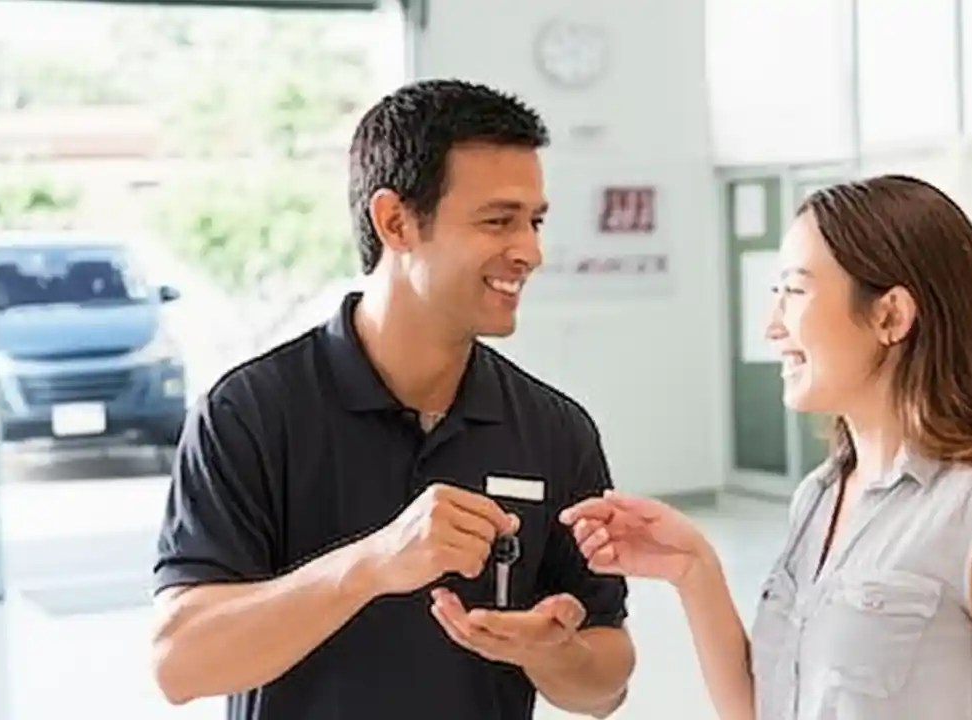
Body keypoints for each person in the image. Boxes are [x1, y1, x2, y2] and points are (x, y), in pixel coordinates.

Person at [150, 79, 635, 720]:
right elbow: (181, 663)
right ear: (395, 221)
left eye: (535, 221)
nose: (530, 251)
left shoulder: (555, 430)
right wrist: (374, 562)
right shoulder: (249, 414)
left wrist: (549, 653)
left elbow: (606, 687)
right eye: (499, 221)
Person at [562, 175, 972, 720]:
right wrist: (694, 570)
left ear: (890, 315)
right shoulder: (819, 496)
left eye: (794, 292)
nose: (773, 327)